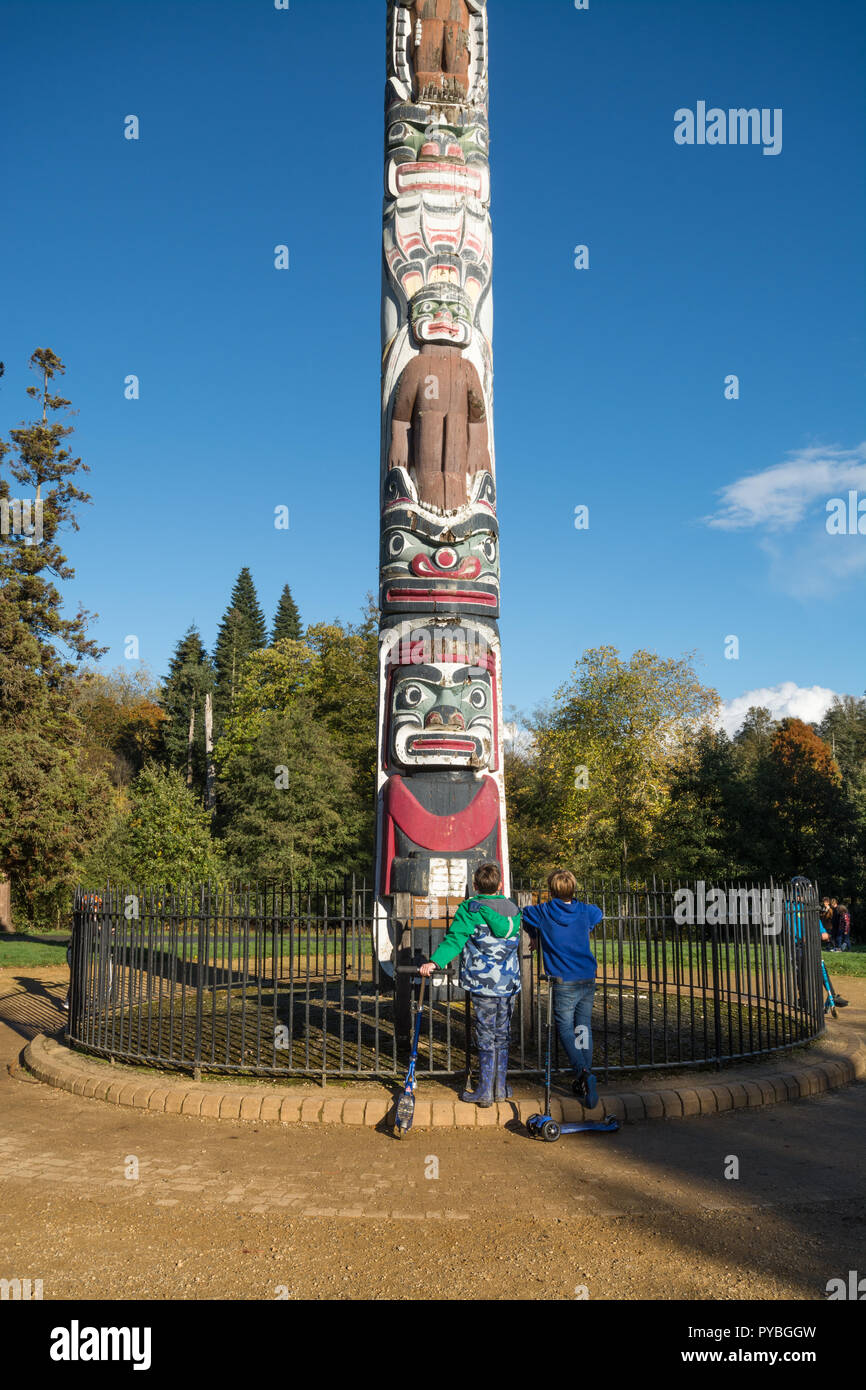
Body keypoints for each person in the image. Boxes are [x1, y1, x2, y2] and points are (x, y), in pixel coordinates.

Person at [419, 861, 521, 1108]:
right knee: (502, 1033)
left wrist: (434, 963)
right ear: (499, 885)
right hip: (509, 983)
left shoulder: (470, 909)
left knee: (485, 1034)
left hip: (482, 983)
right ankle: (499, 1088)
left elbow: (455, 940)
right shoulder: (512, 909)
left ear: (475, 885)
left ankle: (484, 1090)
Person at [521, 869, 602, 1110]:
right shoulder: (585, 911)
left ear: (552, 890)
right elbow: (598, 912)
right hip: (586, 976)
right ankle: (585, 1078)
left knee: (565, 1028)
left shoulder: (544, 912)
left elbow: (525, 912)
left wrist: (534, 934)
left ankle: (583, 1071)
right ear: (573, 889)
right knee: (582, 1026)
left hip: (563, 979)